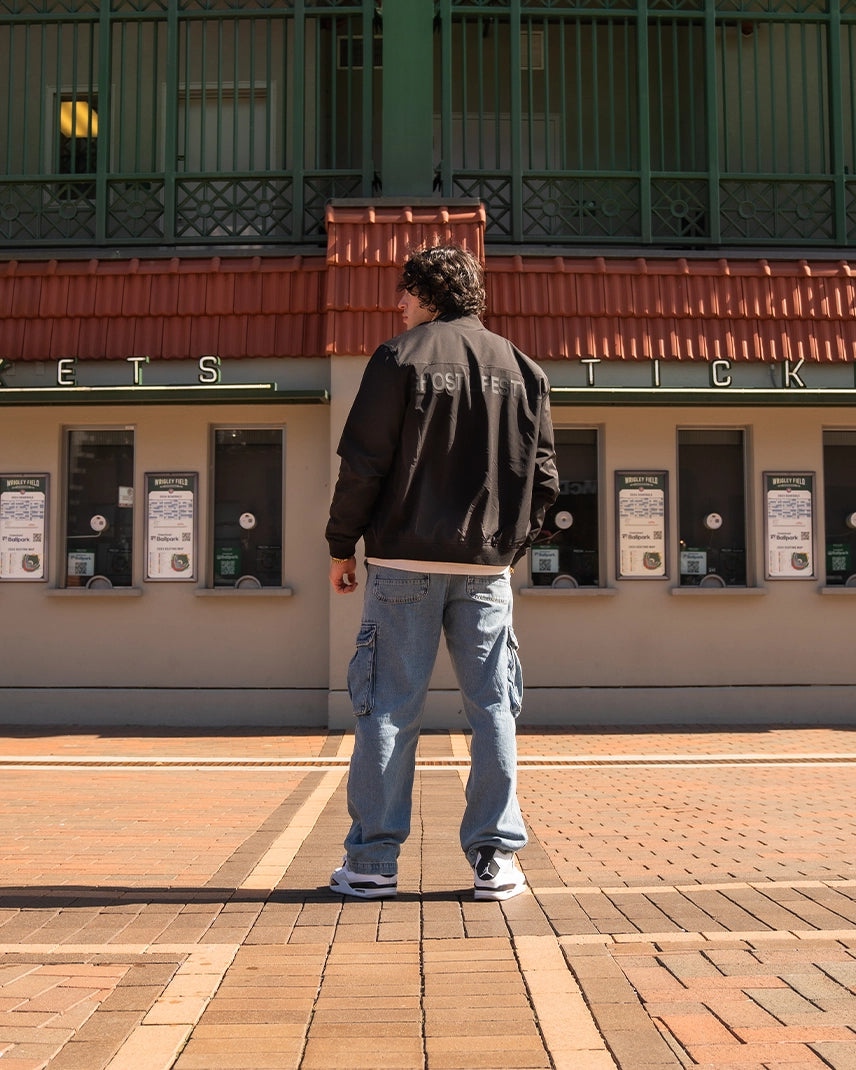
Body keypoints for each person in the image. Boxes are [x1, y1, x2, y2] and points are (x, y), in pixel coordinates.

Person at [325, 244, 558, 901]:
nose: (398, 304)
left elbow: (364, 466)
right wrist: (506, 549)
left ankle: (373, 862)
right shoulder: (523, 368)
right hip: (486, 569)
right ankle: (495, 860)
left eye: (406, 291)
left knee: (388, 708)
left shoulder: (397, 359)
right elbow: (544, 480)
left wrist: (342, 545)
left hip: (402, 562)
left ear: (430, 295)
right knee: (493, 709)